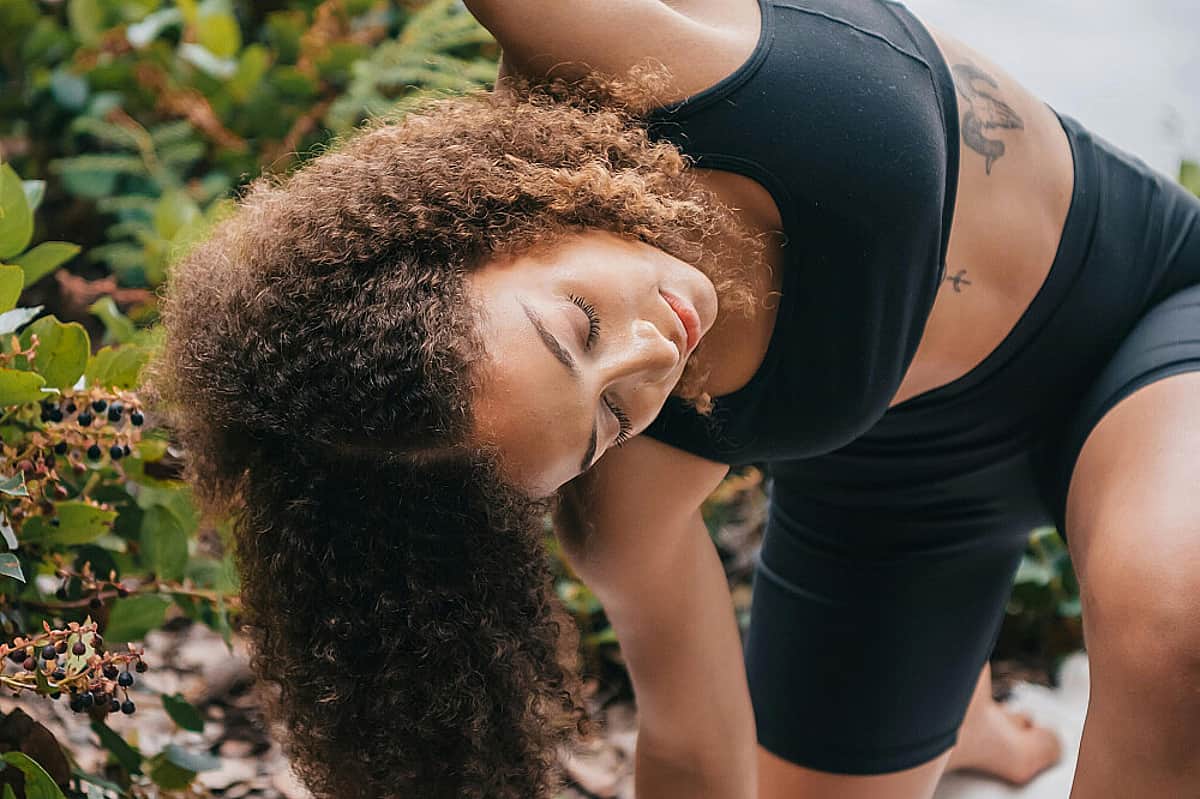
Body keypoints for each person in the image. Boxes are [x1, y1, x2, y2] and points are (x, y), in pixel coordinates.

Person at [142, 0, 1200, 797]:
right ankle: (958, 713)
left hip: (1144, 321)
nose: (651, 358)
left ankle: (956, 704)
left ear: (479, 232)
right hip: (904, 514)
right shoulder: (631, 499)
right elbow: (692, 745)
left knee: (1172, 619)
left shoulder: (610, 54)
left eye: (577, 328)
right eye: (607, 422)